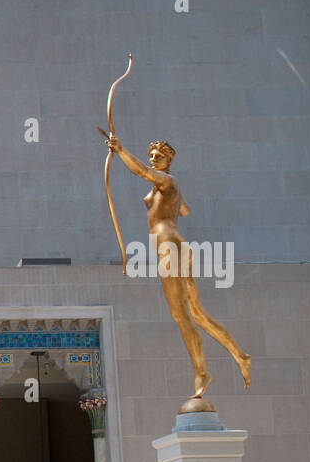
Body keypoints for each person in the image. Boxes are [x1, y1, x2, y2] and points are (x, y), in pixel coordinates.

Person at [104, 133, 251, 399]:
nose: (153, 159)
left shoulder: (167, 179)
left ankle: (202, 372)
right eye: (151, 155)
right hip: (176, 246)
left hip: (169, 247)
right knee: (197, 314)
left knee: (181, 315)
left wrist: (121, 149)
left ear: (169, 159)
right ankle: (240, 354)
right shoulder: (170, 186)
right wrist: (172, 203)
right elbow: (185, 211)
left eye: (159, 156)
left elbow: (140, 171)